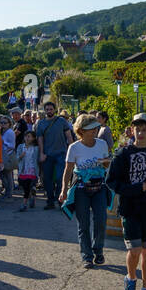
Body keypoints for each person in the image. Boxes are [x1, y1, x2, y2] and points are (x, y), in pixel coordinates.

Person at [106, 113, 146, 290]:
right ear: (132, 130)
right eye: (137, 129)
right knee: (134, 249)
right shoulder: (123, 154)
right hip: (129, 208)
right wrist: (139, 188)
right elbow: (112, 181)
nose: (140, 132)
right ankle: (131, 279)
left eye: (144, 129)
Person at [59, 114, 112, 268]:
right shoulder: (74, 147)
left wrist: (105, 162)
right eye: (90, 129)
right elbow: (68, 170)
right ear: (81, 131)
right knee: (83, 224)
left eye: (96, 128)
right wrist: (64, 190)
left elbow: (107, 165)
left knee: (101, 220)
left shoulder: (102, 144)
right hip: (81, 188)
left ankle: (98, 250)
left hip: (99, 187)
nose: (94, 131)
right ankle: (87, 256)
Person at [35, 101, 74, 210]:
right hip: (47, 155)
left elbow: (69, 136)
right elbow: (40, 139)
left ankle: (60, 199)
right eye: (47, 109)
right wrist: (42, 153)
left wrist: (72, 151)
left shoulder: (61, 121)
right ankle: (50, 201)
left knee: (60, 178)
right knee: (47, 179)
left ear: (54, 110)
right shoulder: (41, 123)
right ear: (44, 110)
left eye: (51, 109)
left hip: (61, 154)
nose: (49, 111)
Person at [15, 131, 41, 210]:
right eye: (26, 136)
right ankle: (31, 195)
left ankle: (24, 204)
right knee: (25, 187)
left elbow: (38, 159)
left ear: (33, 138)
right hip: (23, 170)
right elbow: (16, 159)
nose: (27, 138)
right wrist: (20, 156)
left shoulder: (36, 148)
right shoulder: (20, 147)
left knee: (29, 186)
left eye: (29, 136)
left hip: (33, 170)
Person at [0, 116, 17, 199]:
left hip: (7, 155)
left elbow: (12, 145)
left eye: (5, 123)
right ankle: (7, 191)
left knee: (8, 174)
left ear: (9, 124)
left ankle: (9, 192)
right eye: (1, 123)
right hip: (1, 154)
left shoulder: (10, 132)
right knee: (2, 174)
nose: (3, 124)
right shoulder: (1, 131)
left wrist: (4, 142)